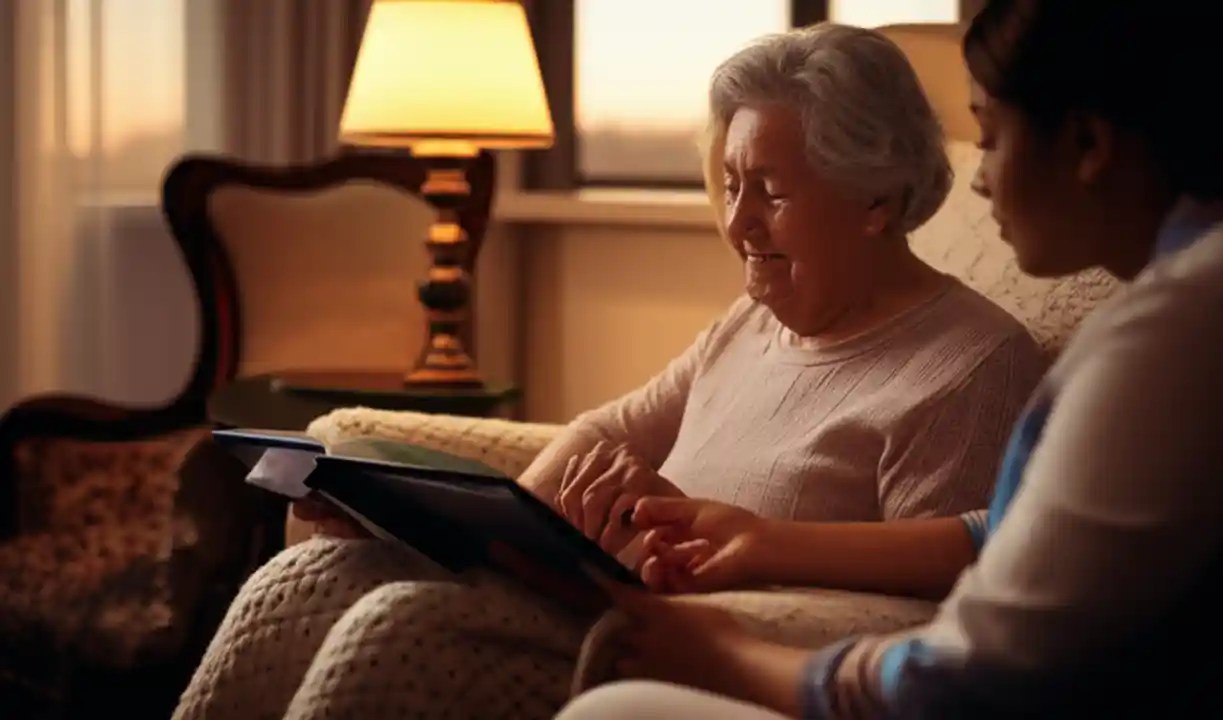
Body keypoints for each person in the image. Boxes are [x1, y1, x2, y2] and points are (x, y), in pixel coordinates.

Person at [174, 23, 1045, 720]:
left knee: (403, 626)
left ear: (877, 202)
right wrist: (483, 537)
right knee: (310, 576)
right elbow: (601, 432)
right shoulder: (750, 324)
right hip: (586, 591)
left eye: (770, 193)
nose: (738, 226)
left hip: (681, 647)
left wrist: (734, 563)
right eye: (731, 186)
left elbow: (930, 609)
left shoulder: (969, 367)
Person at [555, 1, 1223, 717]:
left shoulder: (1176, 339)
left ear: (1088, 145)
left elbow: (965, 676)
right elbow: (994, 533)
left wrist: (725, 655)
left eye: (992, 137)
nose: (978, 178)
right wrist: (763, 540)